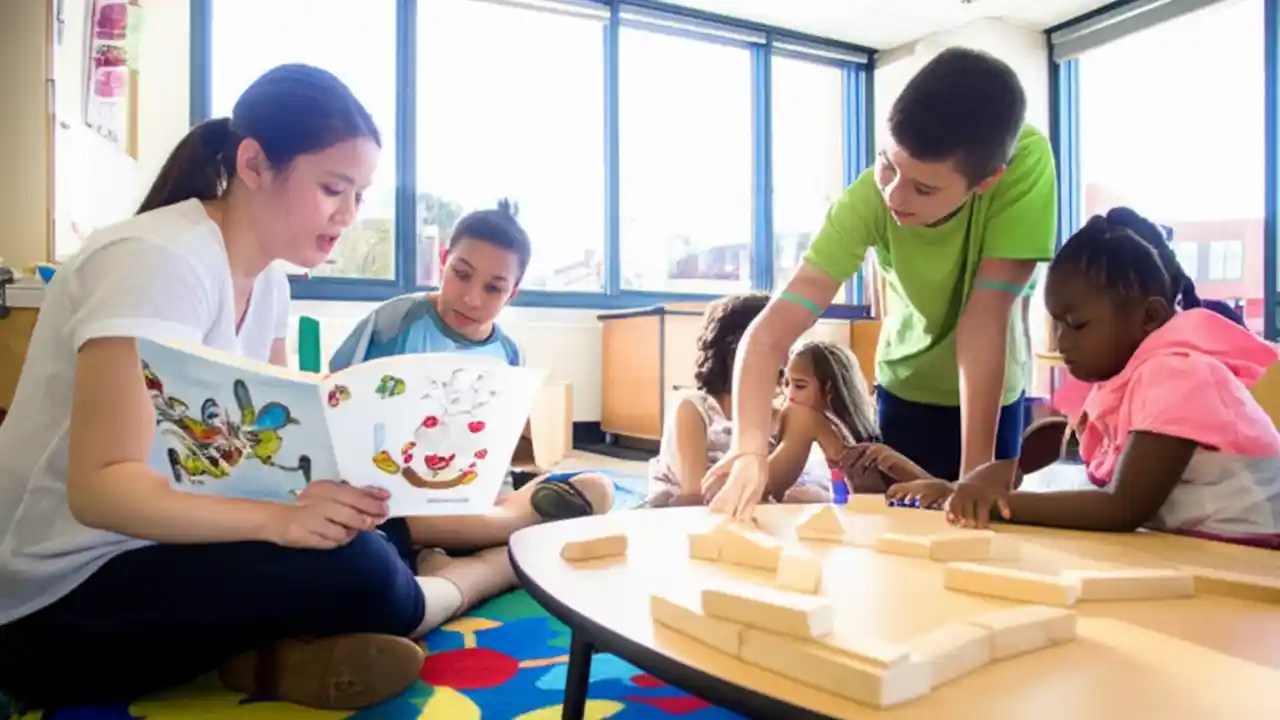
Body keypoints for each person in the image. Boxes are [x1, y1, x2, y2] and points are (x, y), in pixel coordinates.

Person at [0, 64, 453, 711]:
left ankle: (266, 659)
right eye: (334, 188)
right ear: (255, 163)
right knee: (367, 570)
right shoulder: (157, 260)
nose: (349, 215)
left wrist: (327, 493)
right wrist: (280, 520)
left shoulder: (271, 285)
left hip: (162, 544)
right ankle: (472, 574)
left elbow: (266, 457)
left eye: (360, 195)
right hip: (56, 597)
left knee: (365, 520)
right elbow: (101, 489)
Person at [703, 47, 1057, 520]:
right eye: (887, 164)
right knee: (903, 540)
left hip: (991, 390)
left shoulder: (1023, 165)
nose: (893, 194)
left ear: (987, 181)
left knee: (978, 537)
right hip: (906, 384)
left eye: (924, 188)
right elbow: (771, 330)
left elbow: (984, 321)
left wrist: (973, 474)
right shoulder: (871, 196)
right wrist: (749, 448)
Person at [327, 201, 613, 607]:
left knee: (597, 488)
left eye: (493, 287)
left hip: (472, 497)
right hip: (394, 497)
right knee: (363, 528)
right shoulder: (397, 321)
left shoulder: (509, 354)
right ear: (443, 261)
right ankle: (507, 546)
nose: (472, 298)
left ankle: (447, 553)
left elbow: (493, 451)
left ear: (512, 294)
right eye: (461, 274)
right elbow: (336, 395)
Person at [941, 208, 1280, 549]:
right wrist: (971, 487)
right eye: (1058, 324)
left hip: (1256, 559)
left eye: (1077, 325)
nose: (1062, 342)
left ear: (1150, 316)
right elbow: (1086, 479)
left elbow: (1123, 506)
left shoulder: (1179, 373)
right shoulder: (1129, 378)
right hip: (1212, 552)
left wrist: (997, 504)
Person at [647, 294, 833, 507]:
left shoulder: (782, 415)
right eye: (779, 348)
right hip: (696, 509)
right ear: (740, 351)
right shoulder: (694, 408)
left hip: (756, 505)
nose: (788, 360)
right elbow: (695, 493)